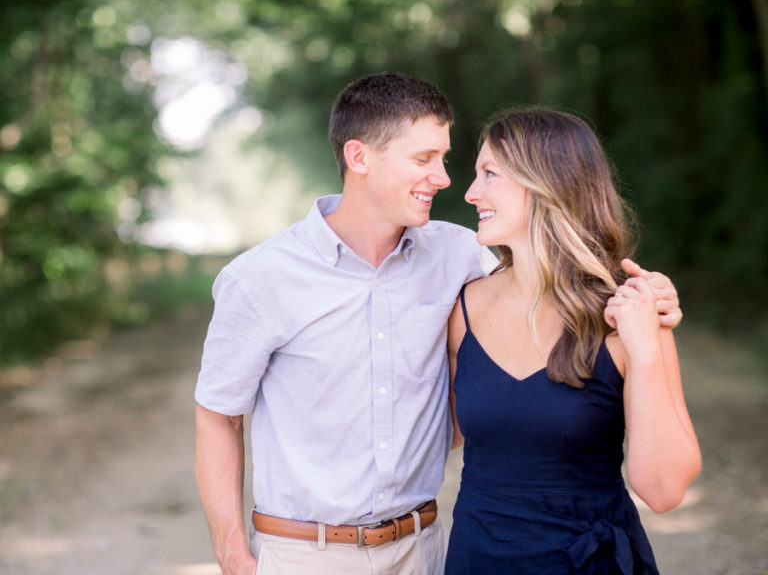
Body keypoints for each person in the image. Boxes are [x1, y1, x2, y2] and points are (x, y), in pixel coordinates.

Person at [194, 73, 682, 575]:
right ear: (359, 158)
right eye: (423, 159)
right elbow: (218, 415)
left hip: (422, 549)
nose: (447, 179)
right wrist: (233, 555)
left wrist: (653, 302)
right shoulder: (260, 279)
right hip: (303, 554)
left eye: (446, 159)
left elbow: (549, 286)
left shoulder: (462, 257)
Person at [444, 107, 701, 574]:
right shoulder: (464, 309)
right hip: (478, 558)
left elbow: (663, 491)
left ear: (548, 183)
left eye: (489, 174)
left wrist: (645, 352)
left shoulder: (631, 316)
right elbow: (439, 432)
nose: (470, 191)